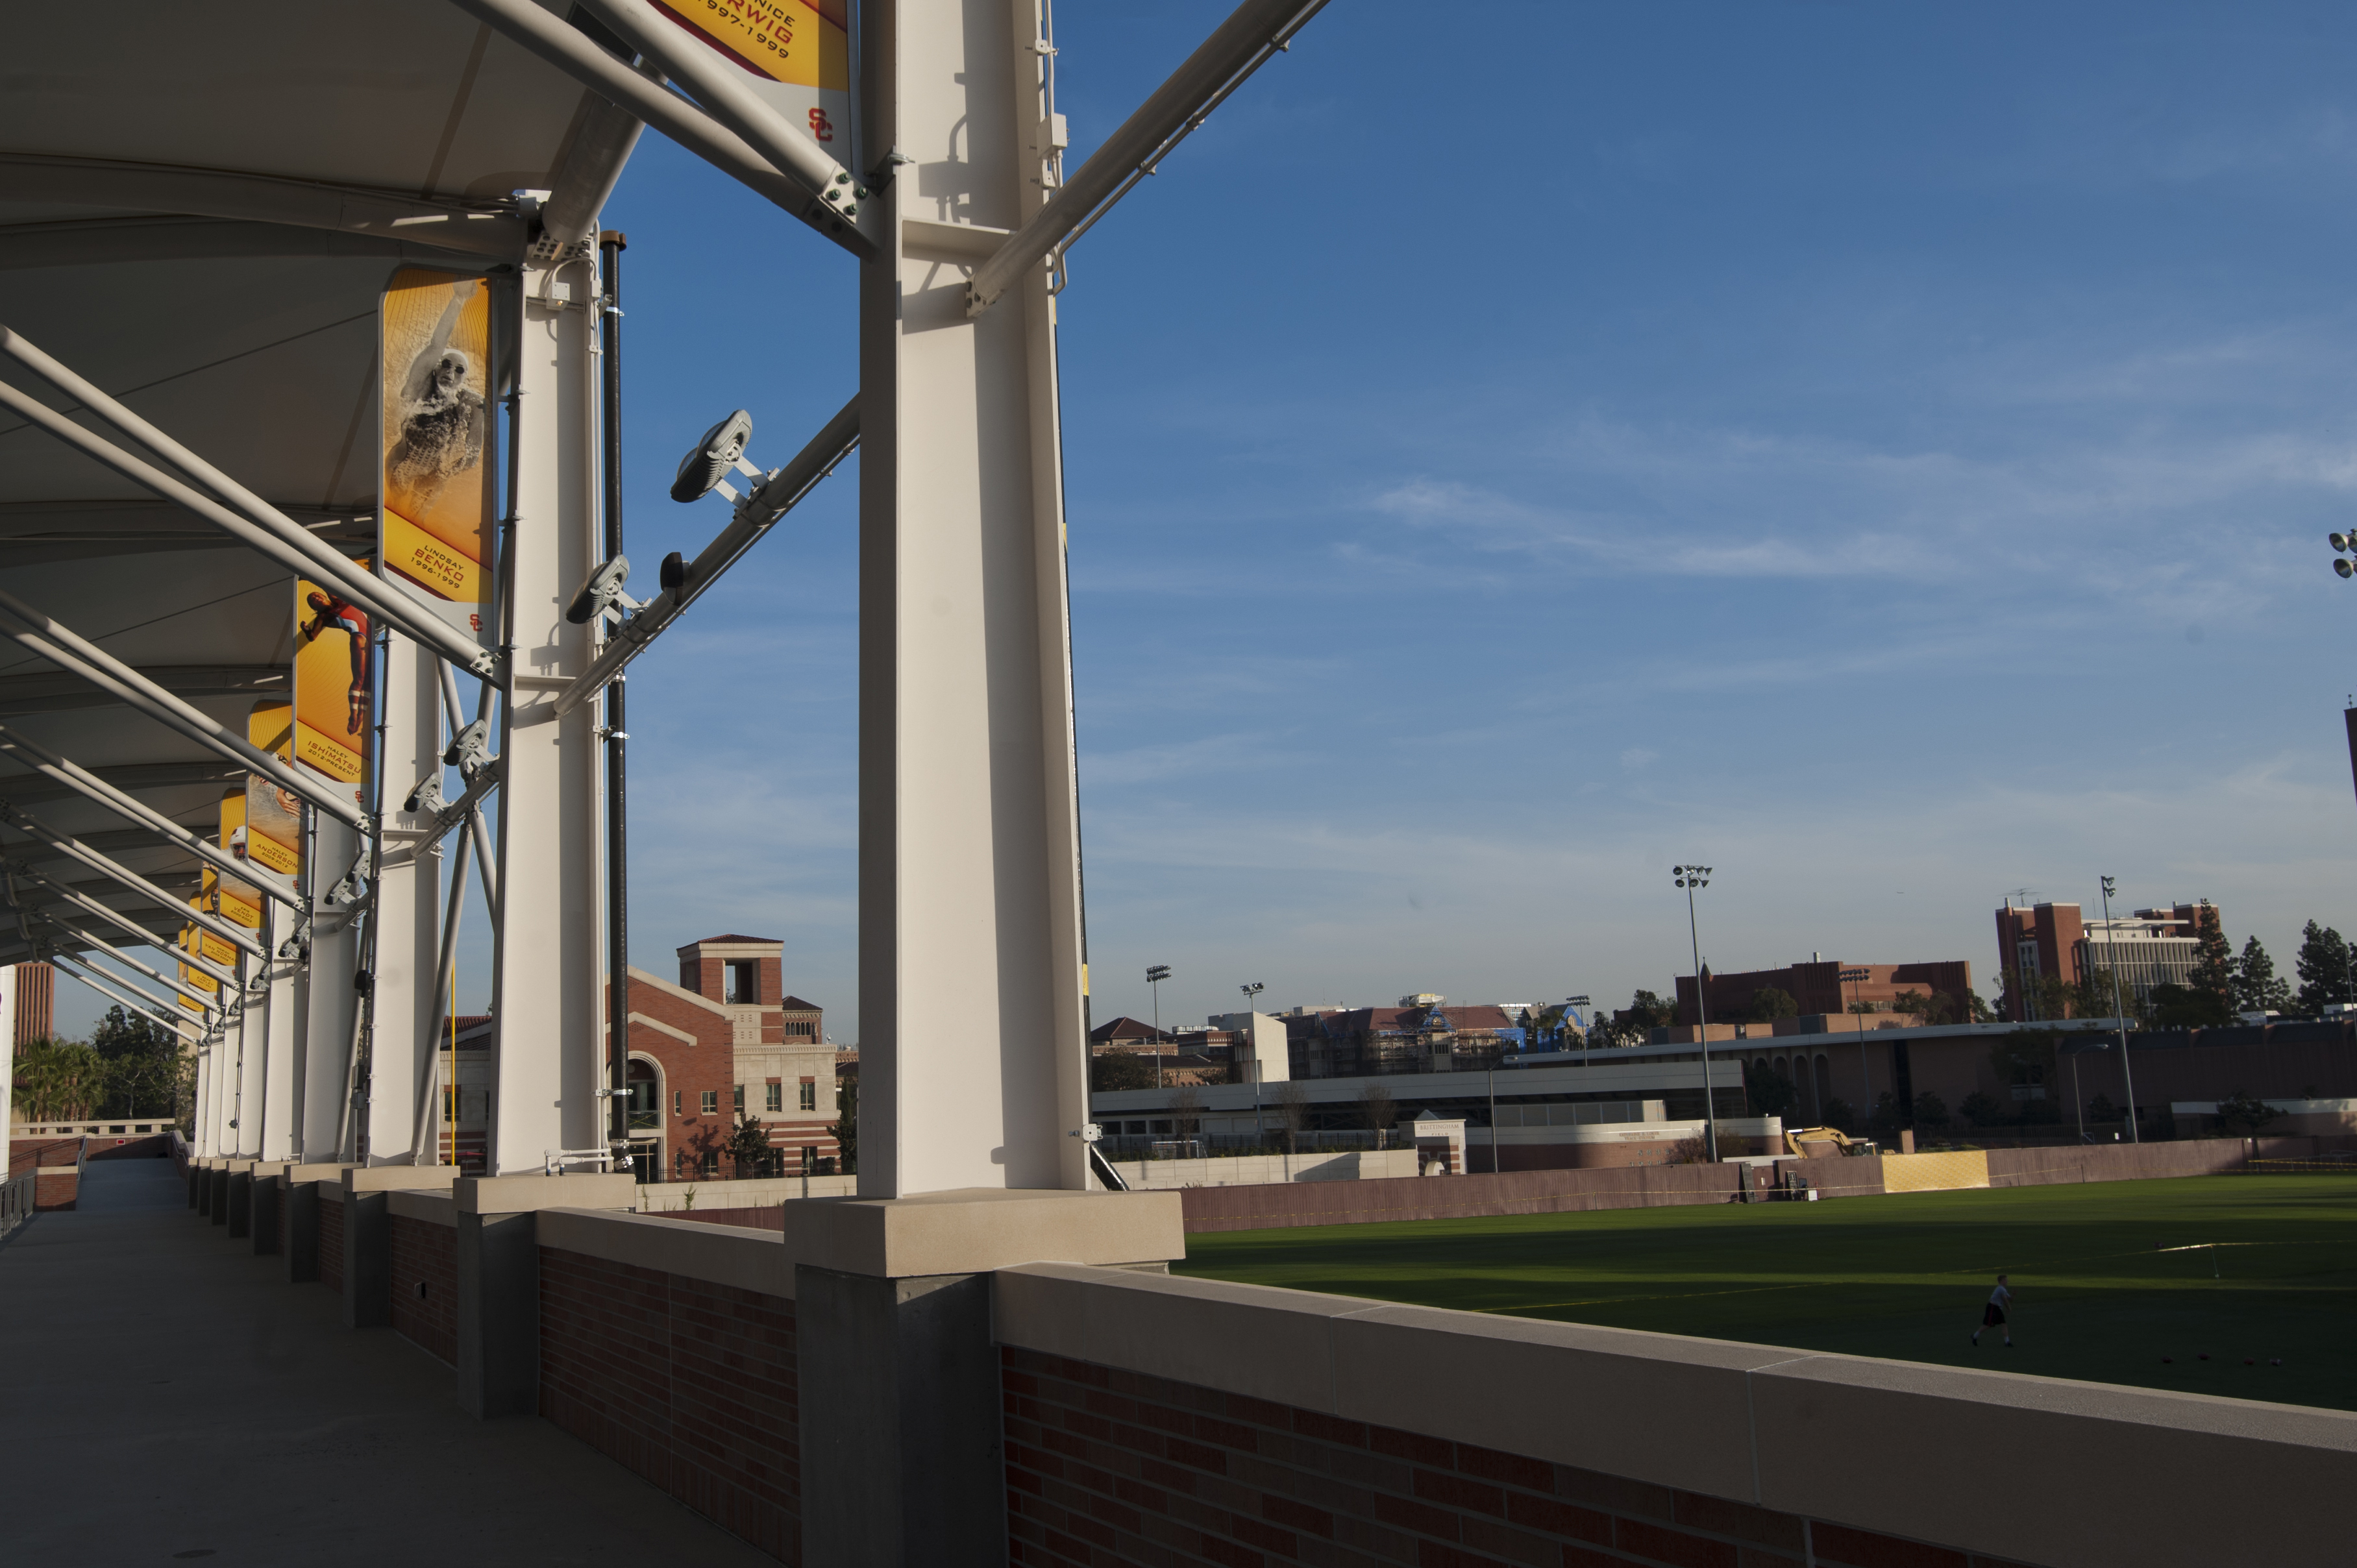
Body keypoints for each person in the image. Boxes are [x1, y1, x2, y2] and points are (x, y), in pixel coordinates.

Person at [1972, 1273, 2013, 1347]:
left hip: (1997, 1309)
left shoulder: (2003, 1289)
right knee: (1988, 1325)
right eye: (2005, 1280)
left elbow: (2010, 1299)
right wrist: (2009, 1308)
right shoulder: (2001, 1289)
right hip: (1992, 1308)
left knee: (2004, 1324)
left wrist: (2013, 1295)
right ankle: (1975, 1337)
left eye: (2007, 1280)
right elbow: (2005, 1300)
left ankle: (2007, 1342)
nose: (2007, 1281)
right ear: (2000, 1281)